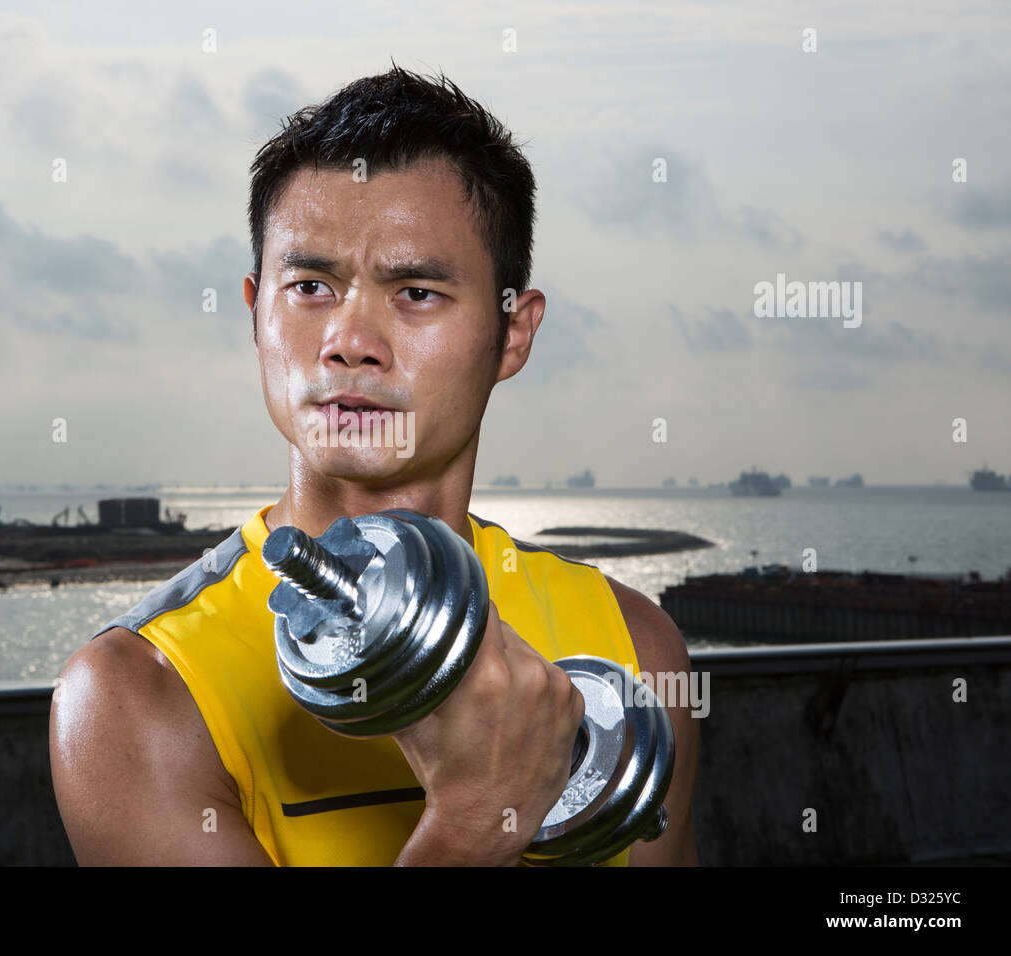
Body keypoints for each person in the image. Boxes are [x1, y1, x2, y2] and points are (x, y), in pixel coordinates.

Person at [50, 64, 699, 866]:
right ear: (255, 313)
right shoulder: (133, 696)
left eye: (417, 292)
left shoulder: (637, 645)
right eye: (312, 285)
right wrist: (472, 822)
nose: (349, 340)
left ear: (515, 334)